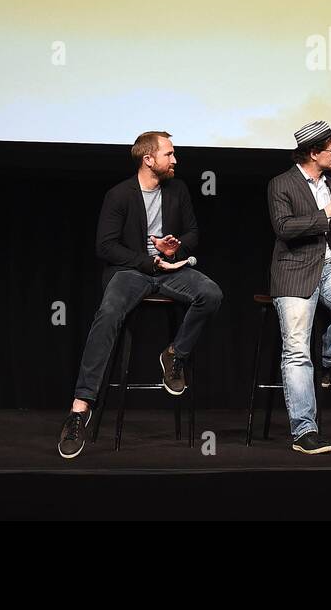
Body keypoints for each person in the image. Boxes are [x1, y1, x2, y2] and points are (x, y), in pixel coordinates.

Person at [57, 131, 222, 459]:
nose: (175, 160)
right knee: (107, 315)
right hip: (131, 273)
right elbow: (105, 246)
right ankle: (80, 409)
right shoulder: (119, 195)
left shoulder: (178, 190)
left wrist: (174, 247)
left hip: (171, 271)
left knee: (211, 293)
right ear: (149, 159)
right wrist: (148, 260)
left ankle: (175, 354)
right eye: (169, 154)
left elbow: (193, 233)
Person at [266, 120, 331, 455]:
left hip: (328, 270)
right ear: (313, 152)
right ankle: (304, 431)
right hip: (294, 272)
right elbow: (284, 228)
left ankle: (326, 357)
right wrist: (324, 212)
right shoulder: (281, 184)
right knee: (296, 351)